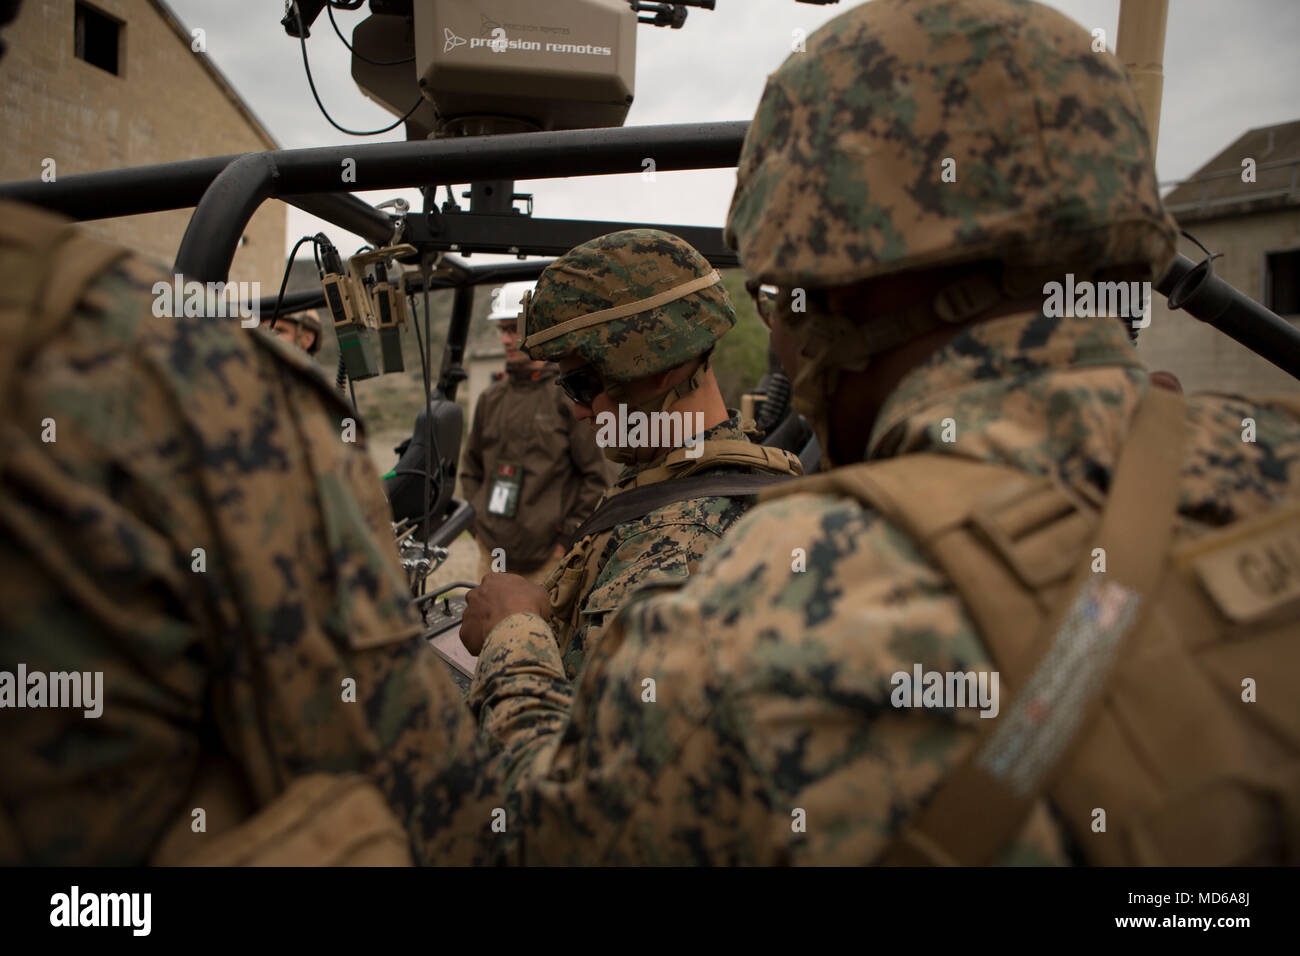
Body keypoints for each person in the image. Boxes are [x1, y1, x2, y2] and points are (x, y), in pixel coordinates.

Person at [459, 0, 1300, 864]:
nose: (776, 335)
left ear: (837, 284)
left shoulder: (774, 600)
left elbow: (551, 841)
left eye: (776, 294)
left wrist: (518, 641)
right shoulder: (1273, 459)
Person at [0, 0, 494, 866]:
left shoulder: (179, 387)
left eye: (296, 335)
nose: (286, 338)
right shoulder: (193, 391)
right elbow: (417, 786)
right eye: (282, 334)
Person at [460, 229, 801, 680]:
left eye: (581, 384)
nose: (579, 410)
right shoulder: (668, 476)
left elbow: (571, 748)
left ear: (656, 361)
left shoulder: (678, 549)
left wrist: (511, 632)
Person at [460, 284, 611, 588]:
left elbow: (595, 477)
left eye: (513, 329)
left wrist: (565, 539)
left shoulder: (568, 398)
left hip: (547, 560)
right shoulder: (490, 398)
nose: (506, 339)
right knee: (489, 633)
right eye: (502, 330)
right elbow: (471, 468)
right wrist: (478, 526)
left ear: (536, 330)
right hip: (492, 554)